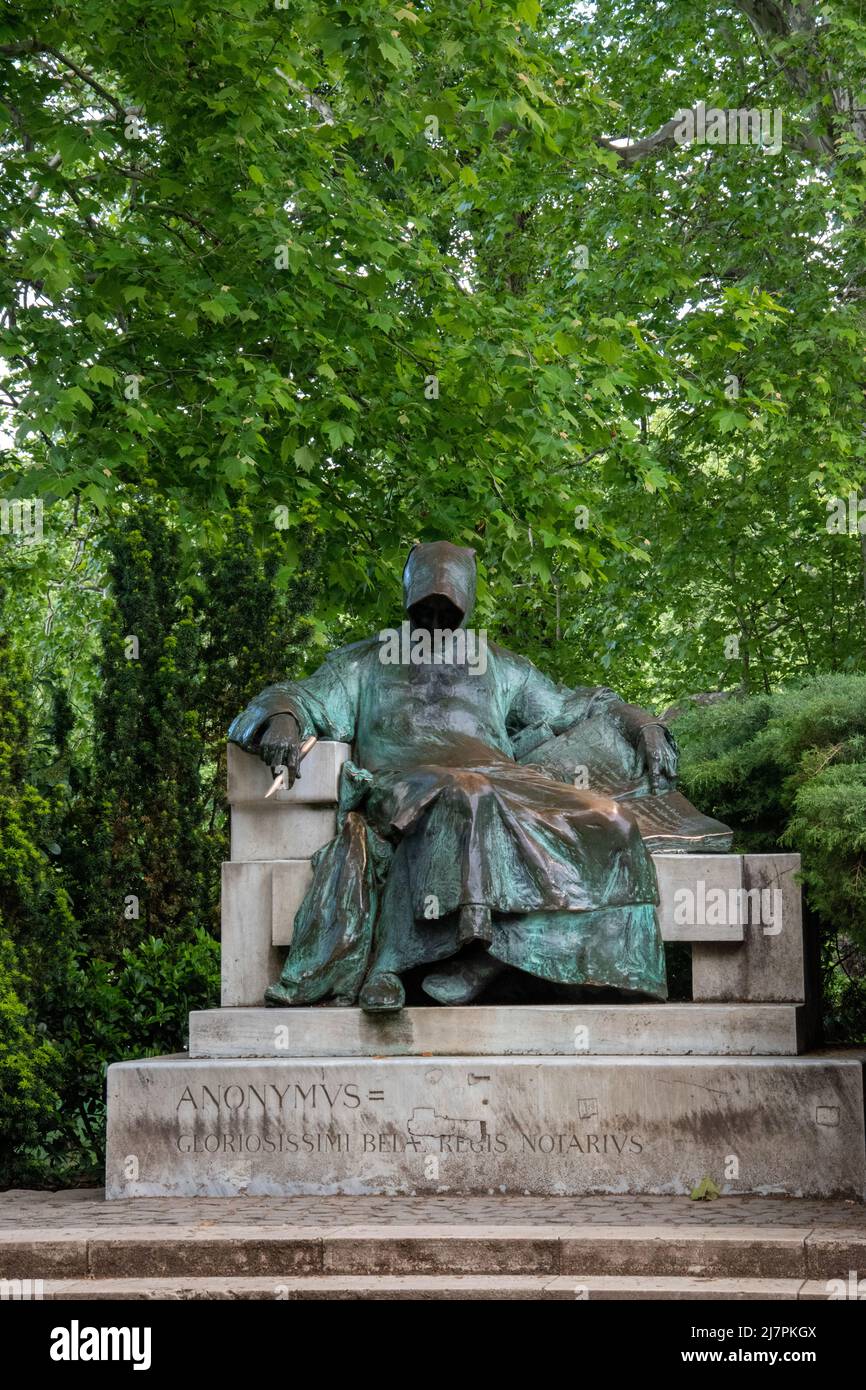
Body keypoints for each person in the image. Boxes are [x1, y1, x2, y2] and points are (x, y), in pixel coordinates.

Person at [228, 541, 677, 1011]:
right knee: (468, 793)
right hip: (403, 783)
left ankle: (504, 962)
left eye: (449, 609)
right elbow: (298, 696)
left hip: (501, 781)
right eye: (428, 607)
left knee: (612, 818)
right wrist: (281, 719)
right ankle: (425, 957)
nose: (438, 619)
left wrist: (644, 724)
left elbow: (579, 705)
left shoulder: (499, 665)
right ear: (409, 599)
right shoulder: (363, 662)